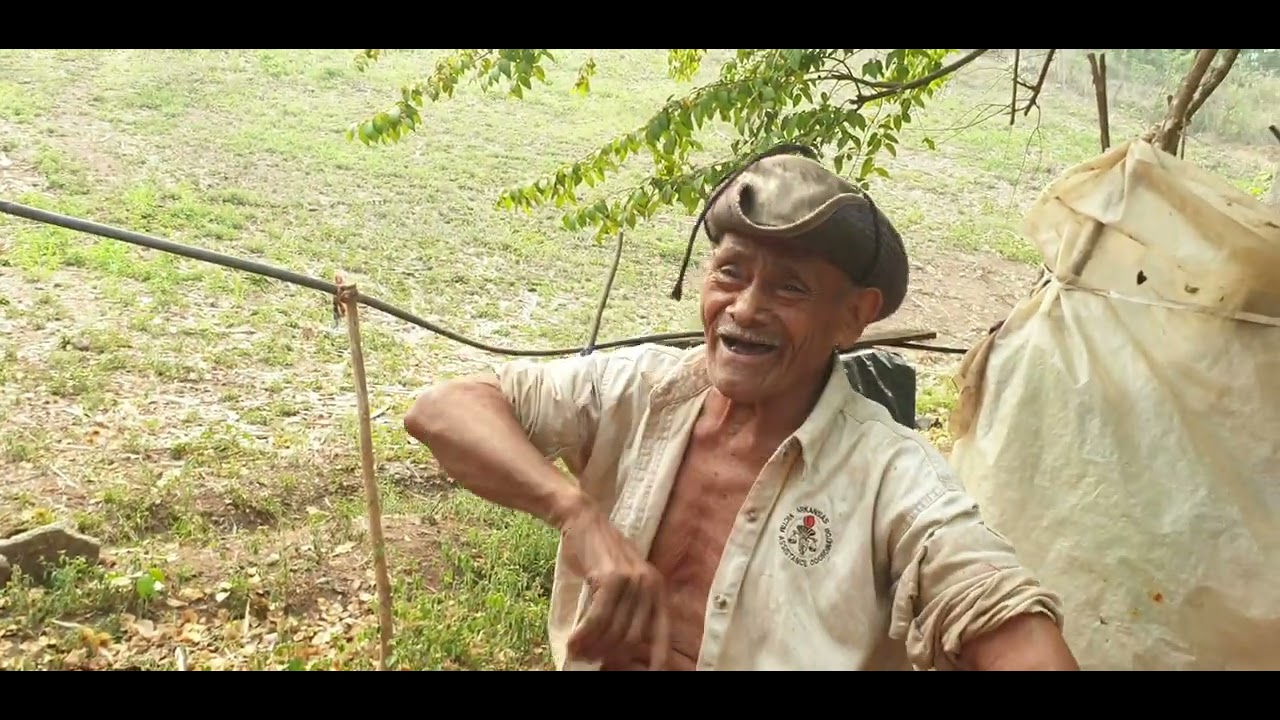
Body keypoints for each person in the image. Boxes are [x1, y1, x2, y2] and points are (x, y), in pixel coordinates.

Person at [403, 145, 1079, 671]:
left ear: (853, 317)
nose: (746, 308)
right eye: (730, 272)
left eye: (789, 287)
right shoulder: (639, 390)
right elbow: (443, 409)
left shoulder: (892, 480)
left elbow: (1002, 612)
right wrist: (575, 513)